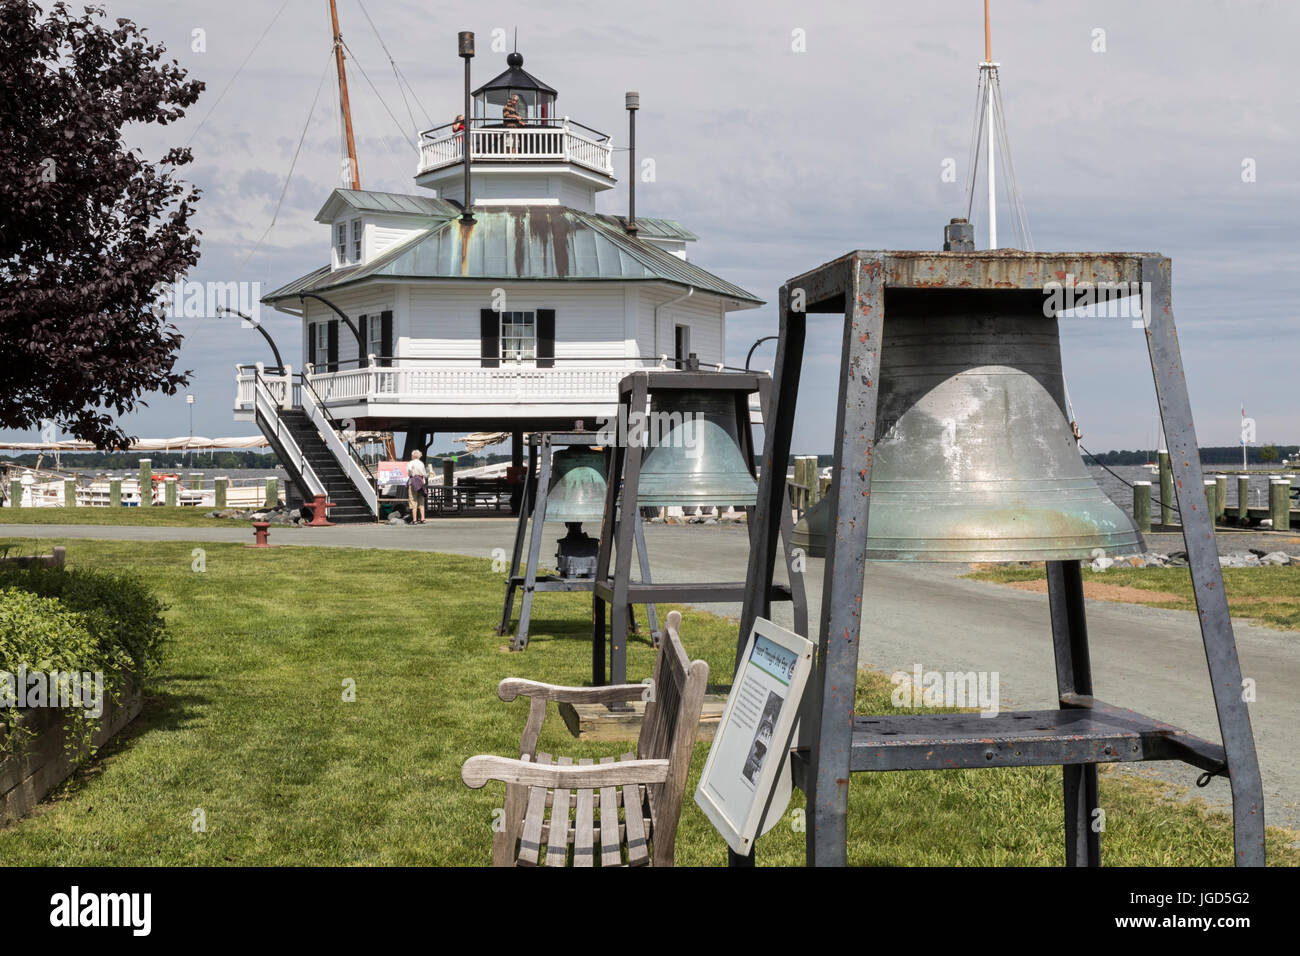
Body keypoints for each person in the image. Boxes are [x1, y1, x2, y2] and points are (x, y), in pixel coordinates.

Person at [407, 450, 427, 524]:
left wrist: (410, 474)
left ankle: (415, 520)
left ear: (413, 456)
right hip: (421, 483)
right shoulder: (421, 463)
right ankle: (423, 519)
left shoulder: (411, 463)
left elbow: (409, 470)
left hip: (413, 483)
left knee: (413, 501)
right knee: (421, 501)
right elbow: (424, 474)